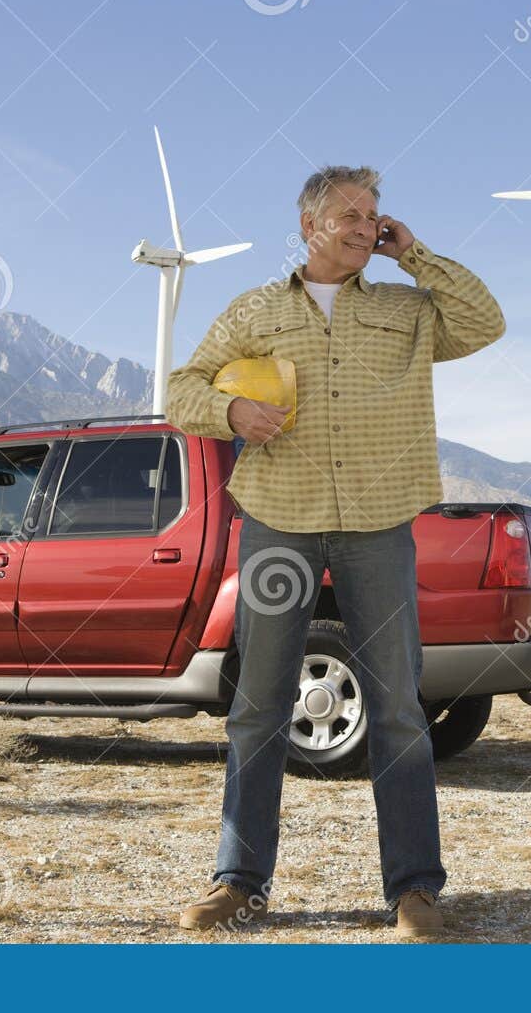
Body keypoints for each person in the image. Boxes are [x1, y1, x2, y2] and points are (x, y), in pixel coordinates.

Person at [166, 165, 505, 935]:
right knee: (258, 707)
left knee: (397, 706)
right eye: (351, 213)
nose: (365, 224)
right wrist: (231, 408)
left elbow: (486, 321)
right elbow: (181, 390)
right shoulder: (254, 309)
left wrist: (413, 253)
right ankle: (238, 882)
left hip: (379, 520)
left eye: (375, 213)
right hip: (278, 520)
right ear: (310, 224)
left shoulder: (406, 309)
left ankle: (415, 889)